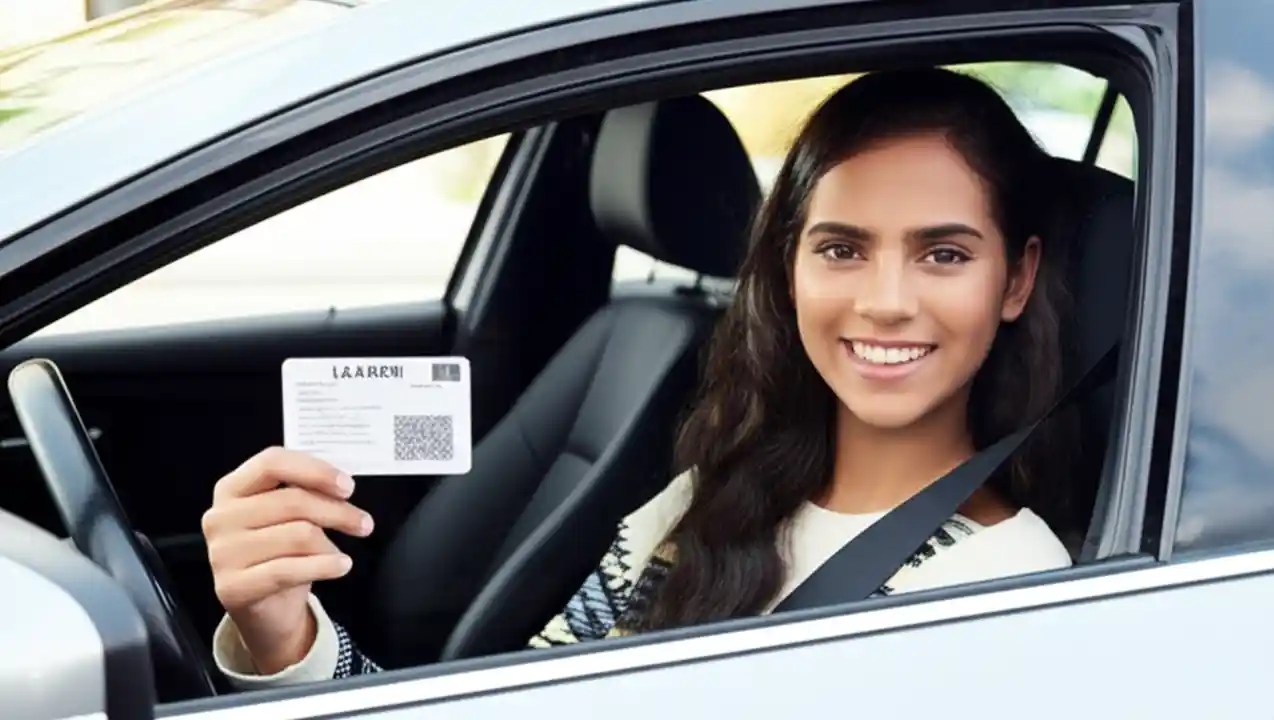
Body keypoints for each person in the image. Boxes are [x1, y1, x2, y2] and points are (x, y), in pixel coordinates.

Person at [202, 67, 1080, 688]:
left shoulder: (1016, 588)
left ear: (1015, 279)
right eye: (842, 249)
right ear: (789, 269)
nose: (887, 302)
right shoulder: (703, 500)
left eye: (944, 254)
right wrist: (285, 633)